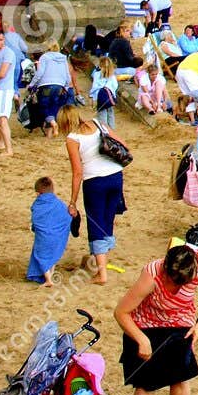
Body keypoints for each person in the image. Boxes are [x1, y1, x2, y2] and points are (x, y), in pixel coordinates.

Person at [114, 243, 198, 395]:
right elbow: (121, 312)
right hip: (145, 324)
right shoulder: (151, 275)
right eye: (173, 282)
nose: (177, 288)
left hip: (180, 324)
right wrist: (141, 339)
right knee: (146, 384)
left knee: (180, 379)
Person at [60, 104, 126, 286]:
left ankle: (102, 273)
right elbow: (123, 144)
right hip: (115, 175)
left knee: (95, 222)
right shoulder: (97, 123)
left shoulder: (72, 139)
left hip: (95, 181)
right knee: (108, 217)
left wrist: (72, 201)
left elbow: (77, 172)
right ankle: (102, 256)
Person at [28, 176, 71, 285]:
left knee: (41, 256)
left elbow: (36, 219)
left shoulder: (37, 205)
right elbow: (67, 217)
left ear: (38, 193)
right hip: (58, 235)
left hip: (44, 236)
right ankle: (50, 275)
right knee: (52, 255)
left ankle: (48, 280)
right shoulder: (60, 204)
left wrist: (36, 229)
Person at [0, 27, 19, 157]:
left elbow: (2, 74)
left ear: (4, 40)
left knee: (2, 119)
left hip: (5, 89)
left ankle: (9, 149)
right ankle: (0, 143)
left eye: (1, 40)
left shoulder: (8, 53)